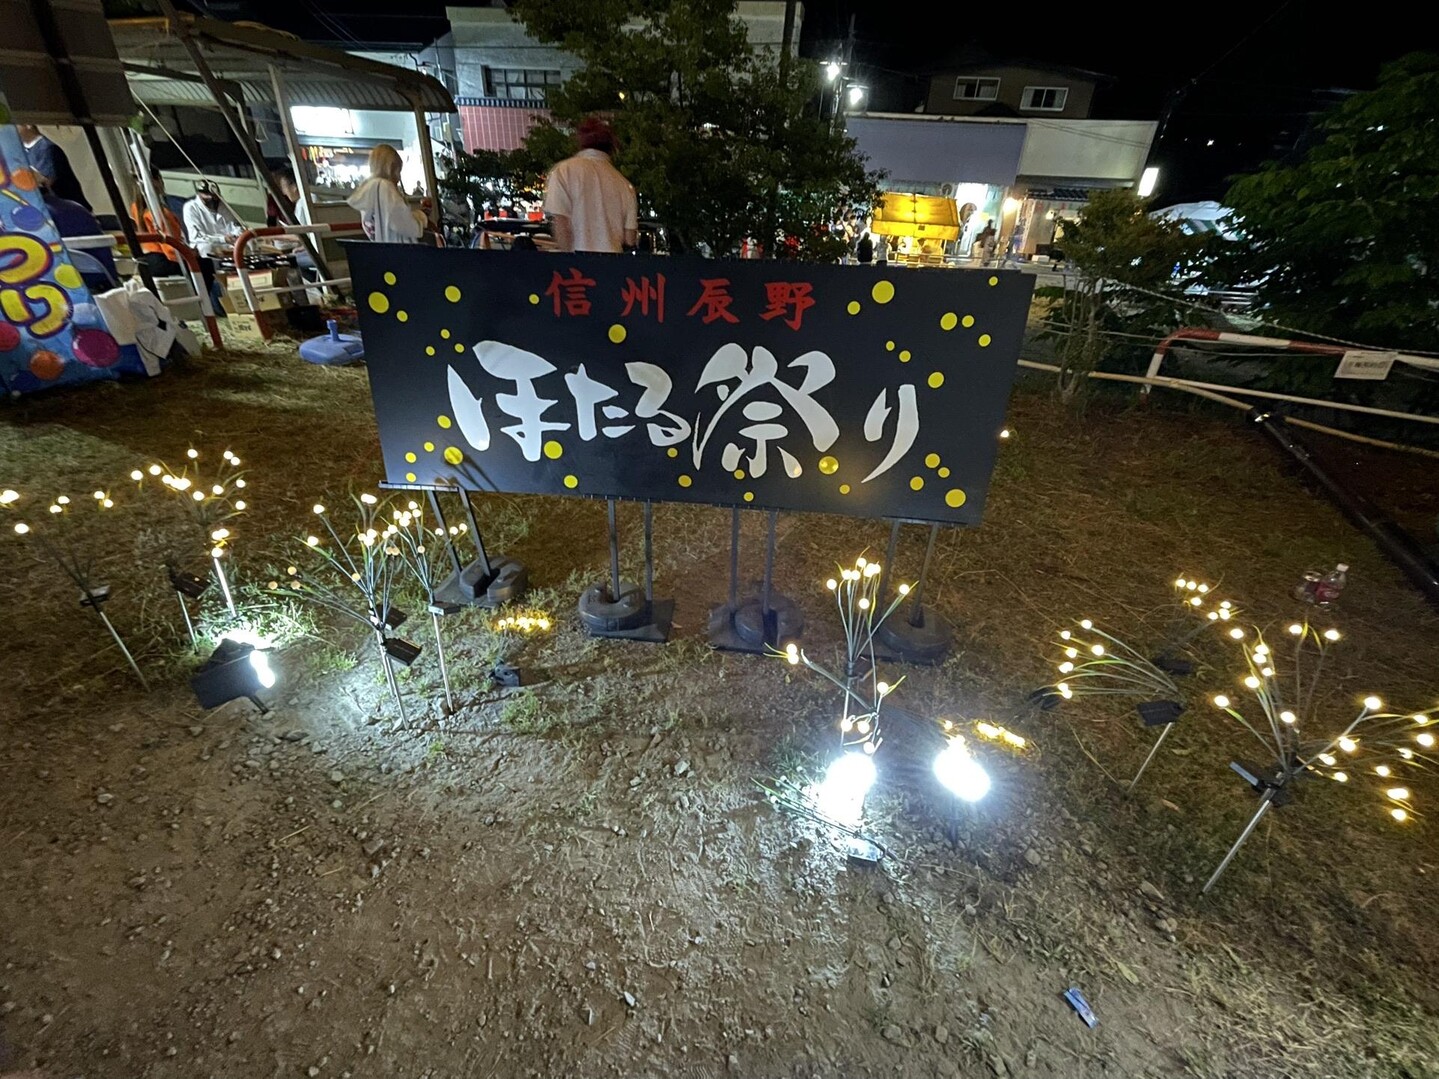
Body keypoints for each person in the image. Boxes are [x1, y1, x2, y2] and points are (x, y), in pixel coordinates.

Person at [542, 117, 637, 254]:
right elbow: (630, 239)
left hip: (577, 260)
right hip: (612, 261)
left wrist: (568, 257)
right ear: (610, 147)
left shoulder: (563, 171)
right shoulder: (624, 184)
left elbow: (561, 225)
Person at [347, 145, 424, 244]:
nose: (399, 177)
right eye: (398, 170)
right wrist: (421, 217)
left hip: (381, 249)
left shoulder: (367, 189)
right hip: (399, 249)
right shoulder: (385, 187)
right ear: (391, 167)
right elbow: (405, 225)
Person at [16, 124, 89, 208]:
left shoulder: (47, 147)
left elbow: (46, 182)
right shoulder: (23, 151)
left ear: (28, 125)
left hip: (68, 208)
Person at [182, 180, 243, 259]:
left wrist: (236, 235)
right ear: (199, 194)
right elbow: (197, 237)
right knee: (206, 248)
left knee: (246, 242)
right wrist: (223, 239)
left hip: (227, 243)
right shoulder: (191, 207)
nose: (210, 197)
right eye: (206, 194)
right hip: (206, 244)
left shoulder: (223, 205)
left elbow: (235, 225)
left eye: (213, 195)